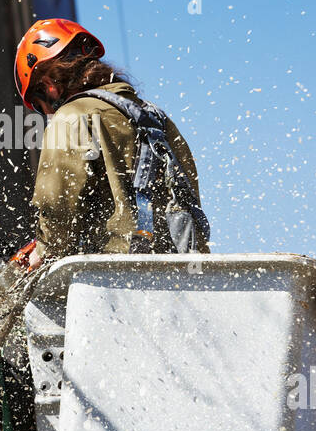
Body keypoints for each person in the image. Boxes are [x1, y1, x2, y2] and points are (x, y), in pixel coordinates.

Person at [13, 18, 209, 269]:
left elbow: (57, 211)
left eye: (43, 108)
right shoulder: (158, 120)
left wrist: (43, 251)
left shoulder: (71, 117)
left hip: (117, 282)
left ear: (48, 87)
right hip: (187, 274)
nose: (49, 114)